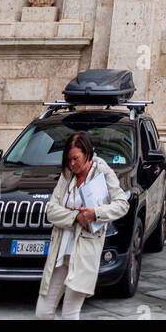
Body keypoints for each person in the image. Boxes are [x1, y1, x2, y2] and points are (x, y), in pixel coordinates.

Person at [35, 131, 129, 320]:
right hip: (60, 251)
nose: (72, 164)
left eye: (75, 159)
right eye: (69, 159)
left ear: (87, 154)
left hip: (84, 251)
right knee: (43, 312)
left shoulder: (102, 172)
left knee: (70, 313)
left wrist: (96, 213)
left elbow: (122, 204)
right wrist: (76, 216)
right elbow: (51, 210)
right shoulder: (67, 175)